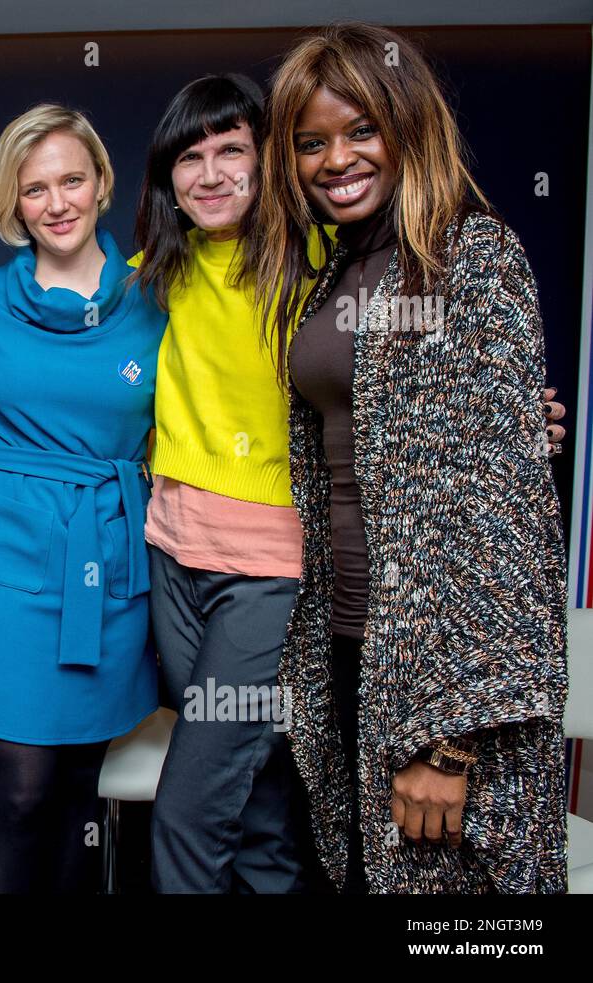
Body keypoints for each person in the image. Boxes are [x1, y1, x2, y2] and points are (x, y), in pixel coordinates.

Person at [252, 22, 568, 893]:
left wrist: (449, 741)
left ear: (409, 125)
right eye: (310, 142)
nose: (336, 159)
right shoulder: (334, 273)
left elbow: (501, 522)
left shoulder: (471, 257)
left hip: (443, 688)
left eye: (361, 130)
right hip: (352, 641)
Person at [0, 105, 163, 894]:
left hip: (108, 556)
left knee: (78, 792)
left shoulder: (157, 294)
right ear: (13, 204)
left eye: (71, 180)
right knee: (19, 790)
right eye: (35, 189)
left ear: (101, 183)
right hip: (2, 561)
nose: (57, 203)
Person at [131, 74, 314, 893]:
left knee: (189, 809)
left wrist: (509, 418)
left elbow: (408, 369)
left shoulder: (319, 261)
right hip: (172, 555)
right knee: (256, 797)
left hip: (269, 573)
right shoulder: (152, 275)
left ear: (268, 160)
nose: (210, 175)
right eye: (189, 157)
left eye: (231, 150)